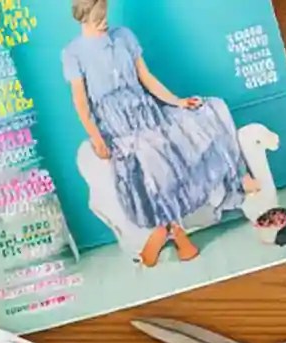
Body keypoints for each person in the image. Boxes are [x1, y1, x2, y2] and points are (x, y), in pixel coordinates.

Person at [63, 0, 260, 267]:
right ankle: (173, 230)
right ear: (82, 17)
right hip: (117, 126)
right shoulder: (73, 54)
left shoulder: (124, 36)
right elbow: (81, 104)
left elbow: (147, 79)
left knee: (210, 108)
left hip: (148, 112)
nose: (104, 22)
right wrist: (96, 137)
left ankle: (237, 177)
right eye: (98, 19)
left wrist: (177, 102)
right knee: (151, 156)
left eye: (105, 14)